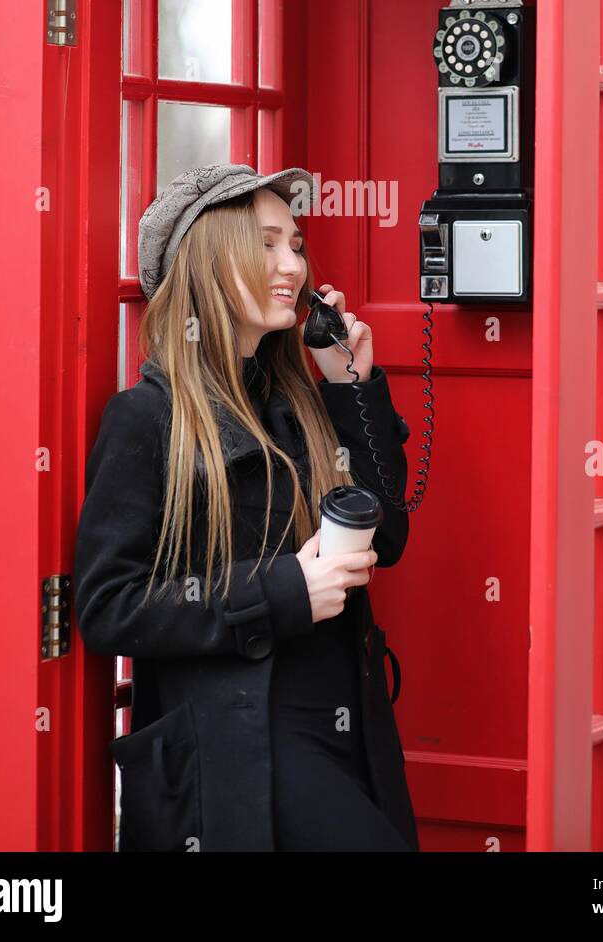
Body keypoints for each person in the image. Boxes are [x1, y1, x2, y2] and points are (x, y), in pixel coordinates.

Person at [73, 163, 419, 852]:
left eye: (294, 245)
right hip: (241, 746)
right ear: (208, 261)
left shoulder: (298, 404)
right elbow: (108, 605)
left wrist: (352, 383)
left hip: (350, 730)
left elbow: (390, 534)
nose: (290, 264)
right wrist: (284, 590)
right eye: (264, 245)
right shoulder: (148, 419)